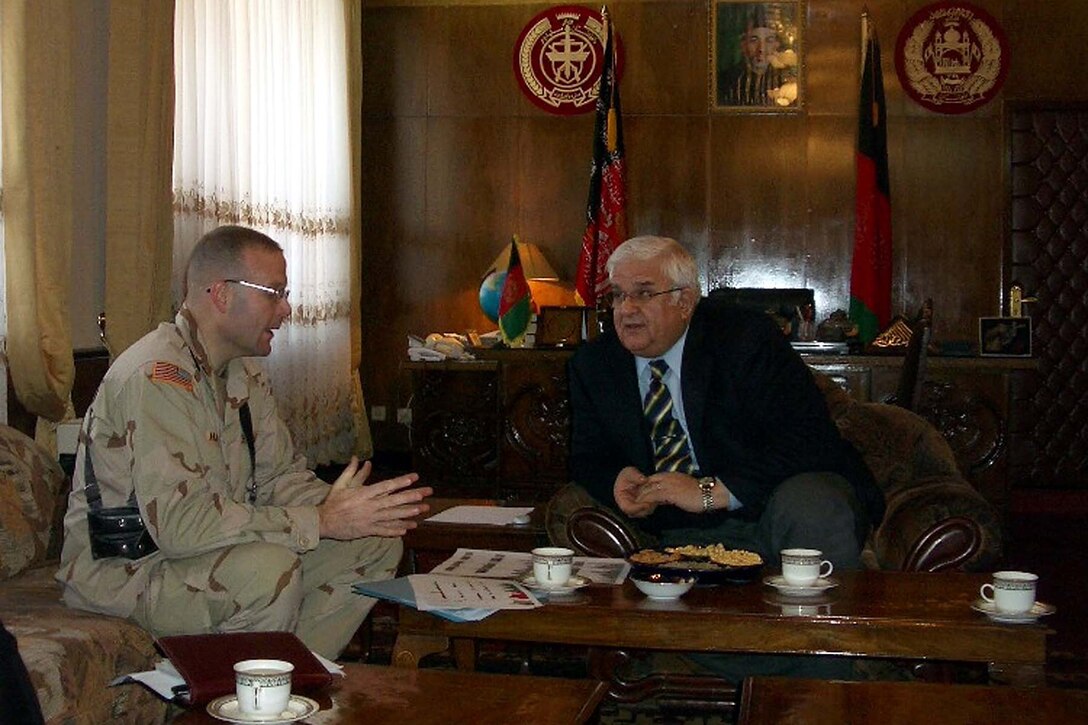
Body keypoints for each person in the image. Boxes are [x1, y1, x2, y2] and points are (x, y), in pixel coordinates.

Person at [57, 225, 432, 660]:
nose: (287, 309)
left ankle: (289, 683)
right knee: (268, 571)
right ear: (220, 294)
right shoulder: (156, 377)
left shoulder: (243, 372)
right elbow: (182, 527)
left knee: (373, 542)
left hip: (195, 553)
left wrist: (348, 508)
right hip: (127, 571)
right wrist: (320, 521)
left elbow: (278, 478)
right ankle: (244, 700)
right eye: (273, 292)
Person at [568, 235, 885, 572]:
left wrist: (710, 492)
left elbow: (809, 439)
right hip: (670, 526)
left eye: (644, 293)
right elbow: (587, 455)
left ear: (685, 302)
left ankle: (814, 623)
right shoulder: (595, 364)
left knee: (815, 503)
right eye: (618, 295)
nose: (626, 309)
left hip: (769, 505)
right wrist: (615, 479)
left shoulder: (745, 341)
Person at [717, 8, 793, 107]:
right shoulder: (725, 81)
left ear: (777, 44)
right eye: (754, 40)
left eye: (769, 40)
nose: (761, 49)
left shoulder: (787, 80)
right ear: (743, 45)